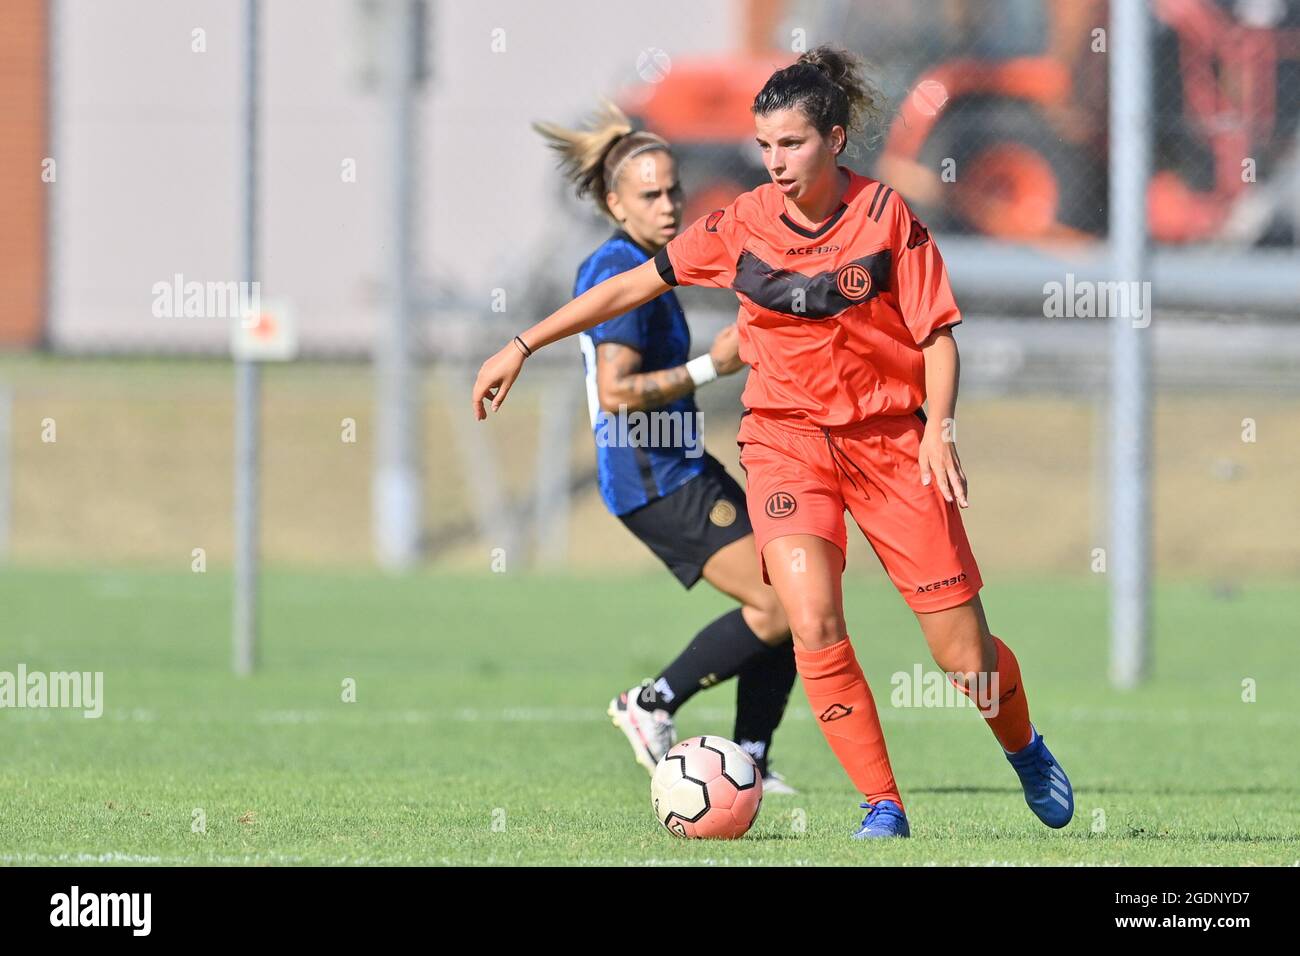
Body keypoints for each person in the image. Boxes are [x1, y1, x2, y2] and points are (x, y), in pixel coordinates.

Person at [475, 49, 1074, 839]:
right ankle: (881, 805)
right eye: (764, 146)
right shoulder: (743, 224)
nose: (775, 162)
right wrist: (524, 342)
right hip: (787, 445)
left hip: (892, 444)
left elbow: (936, 336)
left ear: (833, 139)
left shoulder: (885, 217)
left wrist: (942, 428)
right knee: (812, 618)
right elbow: (629, 286)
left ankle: (1024, 747)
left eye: (790, 144)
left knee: (964, 657)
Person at [531, 103, 799, 792]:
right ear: (615, 201)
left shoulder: (652, 265)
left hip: (679, 464)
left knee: (797, 597)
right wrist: (714, 367)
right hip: (653, 476)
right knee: (780, 604)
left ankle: (752, 762)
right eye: (650, 194)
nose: (670, 204)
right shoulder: (617, 269)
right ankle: (650, 704)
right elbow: (618, 393)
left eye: (675, 189)